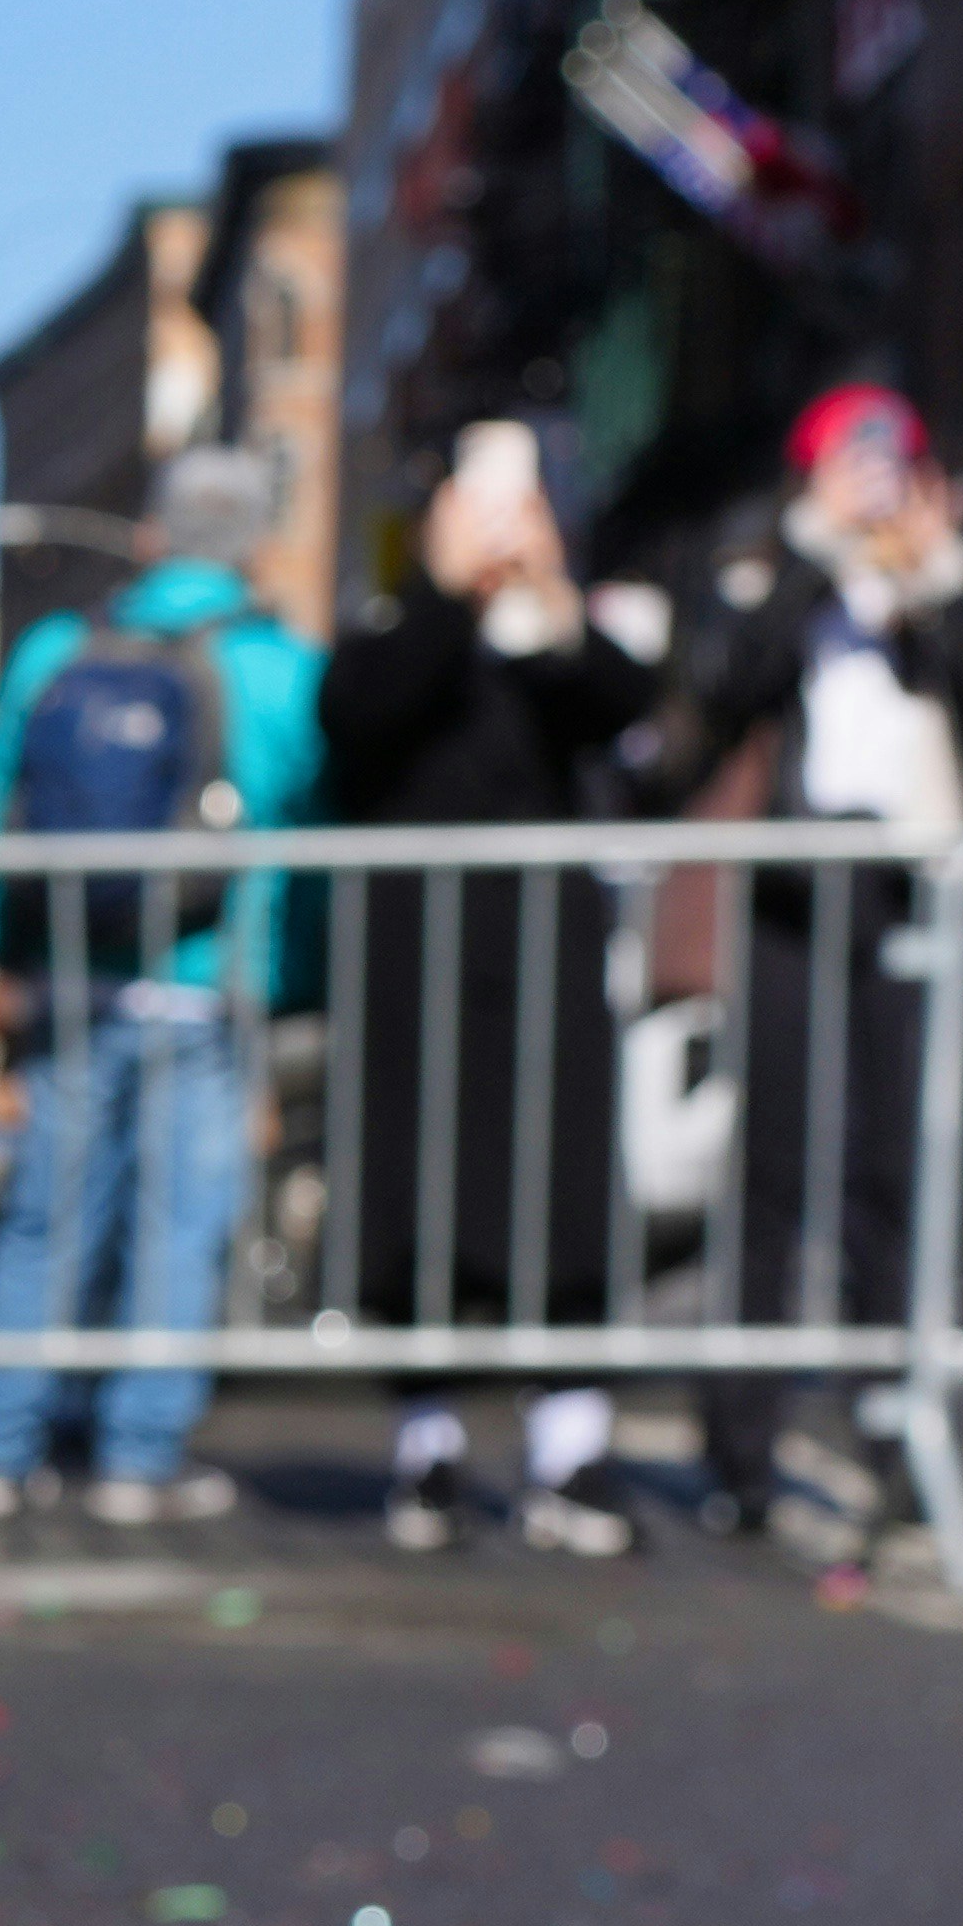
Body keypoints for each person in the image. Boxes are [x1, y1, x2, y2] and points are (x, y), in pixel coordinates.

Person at [651, 383, 963, 1549]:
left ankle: (893, 1439)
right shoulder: (769, 580)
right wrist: (817, 555)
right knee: (771, 1180)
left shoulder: (934, 594)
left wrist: (939, 576)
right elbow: (728, 685)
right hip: (784, 900)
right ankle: (743, 1448)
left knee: (895, 1183)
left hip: (908, 899)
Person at [0, 445, 326, 1527]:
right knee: (175, 1231)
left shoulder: (60, 647)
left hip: (68, 977)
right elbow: (306, 837)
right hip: (204, 985)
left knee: (41, 1223)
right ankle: (136, 1461)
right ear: (256, 542)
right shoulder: (277, 667)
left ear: (154, 532)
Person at [317, 421, 664, 1553]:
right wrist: (446, 585)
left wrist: (552, 590)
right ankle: (429, 1445)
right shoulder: (396, 632)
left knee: (560, 1196)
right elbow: (360, 713)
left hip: (544, 968)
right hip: (417, 970)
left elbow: (626, 704)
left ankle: (572, 1445)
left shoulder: (548, 645)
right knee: (415, 1202)